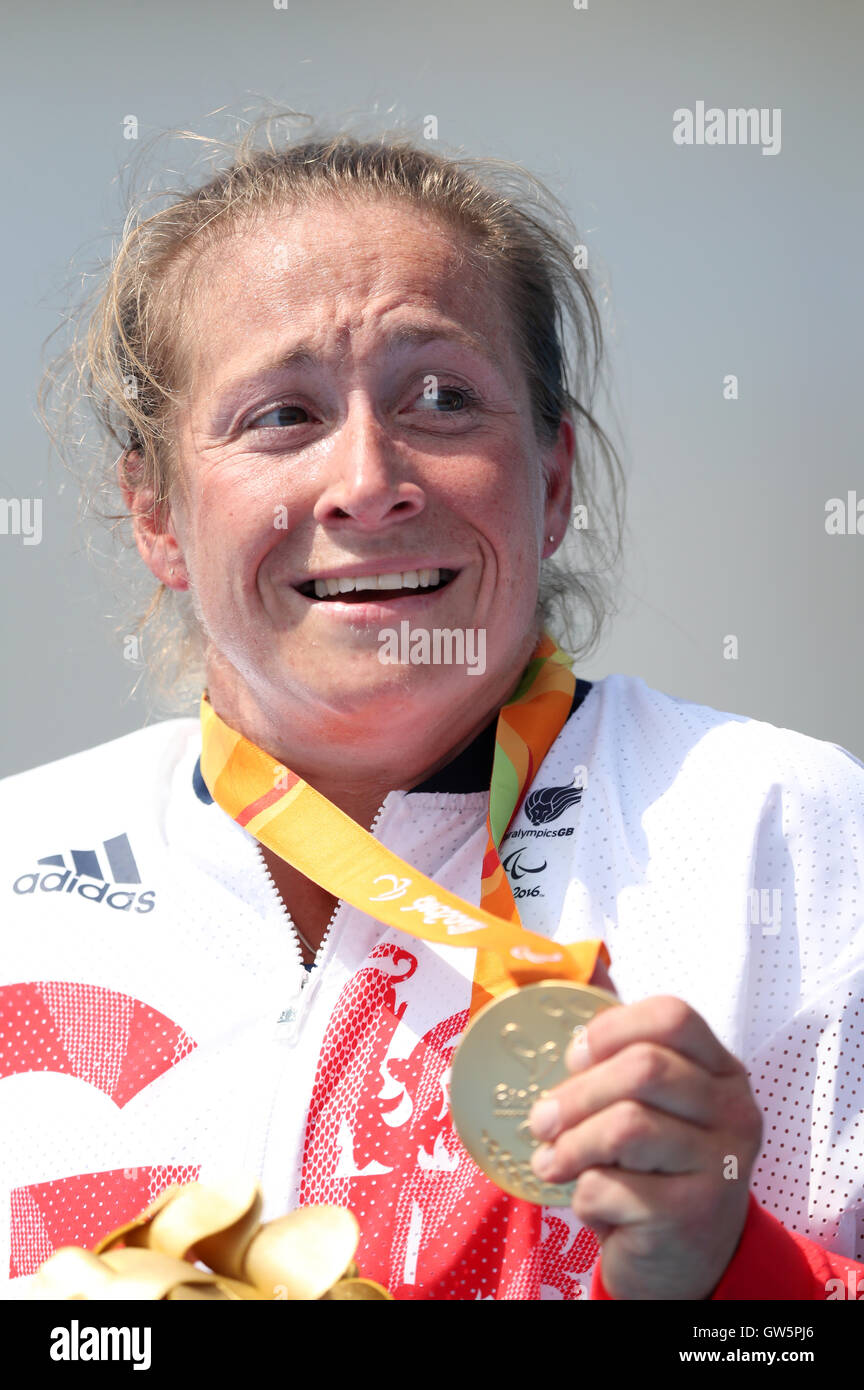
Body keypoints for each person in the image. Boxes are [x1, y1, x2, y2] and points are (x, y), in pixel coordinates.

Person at [2, 118, 862, 1302]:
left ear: (552, 482)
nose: (366, 482)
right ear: (156, 514)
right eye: (281, 416)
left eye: (443, 397)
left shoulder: (785, 833)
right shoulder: (18, 866)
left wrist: (729, 1270)